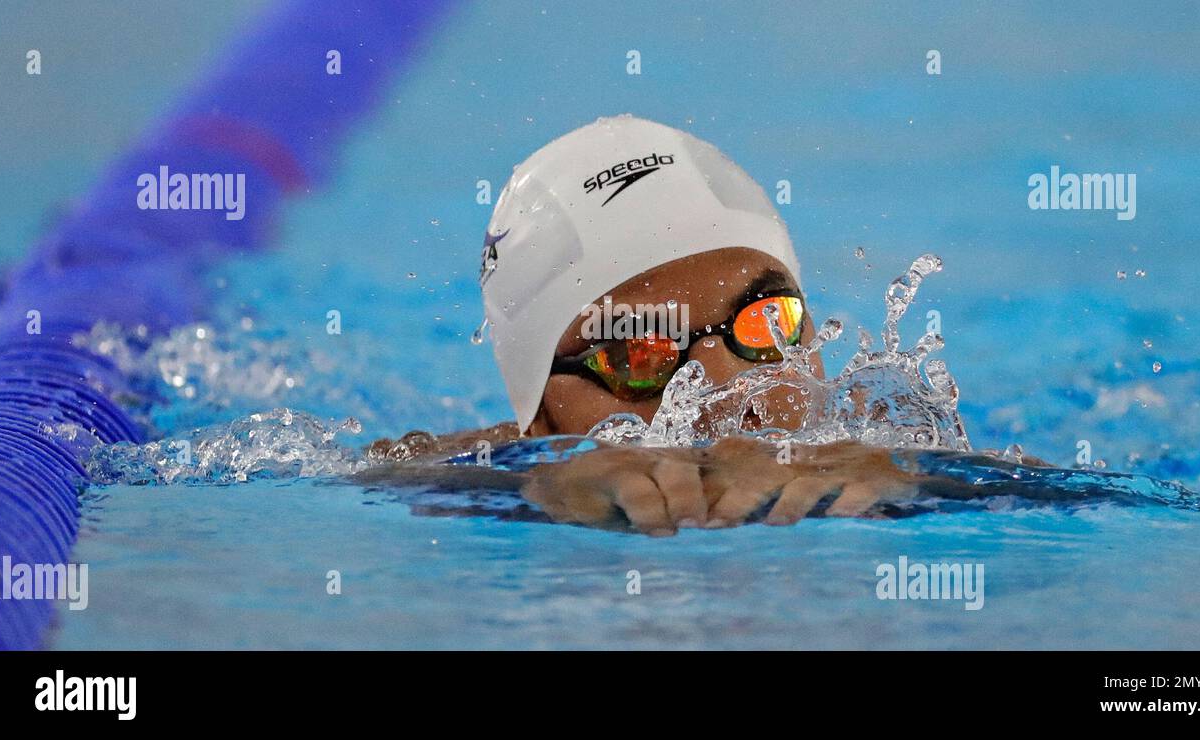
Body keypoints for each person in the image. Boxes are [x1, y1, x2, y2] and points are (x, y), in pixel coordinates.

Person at [367, 116, 925, 535]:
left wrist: (916, 480)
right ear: (538, 416)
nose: (726, 387)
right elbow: (361, 479)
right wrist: (533, 485)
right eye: (640, 353)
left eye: (763, 325)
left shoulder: (888, 449)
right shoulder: (487, 474)